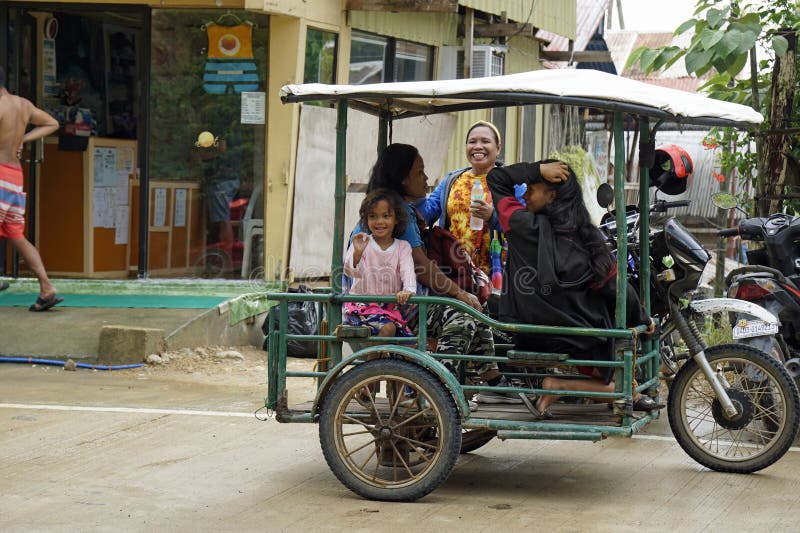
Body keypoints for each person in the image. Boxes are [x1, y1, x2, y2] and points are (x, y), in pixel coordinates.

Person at [487, 160, 657, 418]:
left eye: (533, 187)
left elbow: (497, 178)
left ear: (551, 195)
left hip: (531, 330)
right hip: (574, 335)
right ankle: (617, 391)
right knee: (607, 320)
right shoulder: (584, 238)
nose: (526, 193)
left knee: (600, 324)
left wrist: (537, 170)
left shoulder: (521, 225)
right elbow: (616, 288)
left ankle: (567, 386)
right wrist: (642, 318)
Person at [357, 143, 519, 404]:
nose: (425, 177)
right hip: (387, 307)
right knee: (463, 316)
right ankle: (437, 387)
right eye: (419, 172)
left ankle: (492, 381)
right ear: (402, 178)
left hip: (402, 301)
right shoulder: (397, 211)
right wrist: (459, 293)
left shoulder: (401, 208)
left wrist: (465, 295)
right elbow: (422, 267)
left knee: (476, 306)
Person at [0, 65, 61, 310]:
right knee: (16, 234)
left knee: (15, 234)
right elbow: (52, 123)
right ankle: (46, 287)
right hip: (15, 176)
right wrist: (23, 138)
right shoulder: (22, 105)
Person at [344, 189, 416, 339]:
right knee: (388, 329)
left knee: (410, 345)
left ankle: (377, 362)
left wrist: (408, 290)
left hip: (389, 309)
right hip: (362, 307)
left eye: (386, 216)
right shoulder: (361, 242)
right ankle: (373, 362)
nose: (380, 222)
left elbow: (408, 271)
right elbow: (350, 271)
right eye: (373, 216)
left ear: (396, 219)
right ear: (366, 219)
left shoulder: (403, 247)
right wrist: (357, 253)